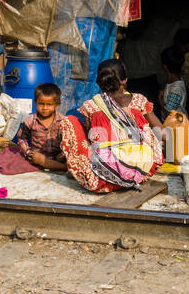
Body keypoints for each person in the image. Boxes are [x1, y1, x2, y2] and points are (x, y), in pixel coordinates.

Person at [60, 58, 164, 193]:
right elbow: (162, 133)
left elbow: (91, 140)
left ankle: (107, 177)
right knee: (145, 129)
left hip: (105, 176)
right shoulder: (139, 101)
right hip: (142, 169)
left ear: (98, 82)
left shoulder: (91, 107)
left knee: (71, 121)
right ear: (125, 80)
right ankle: (130, 175)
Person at [13, 82, 66, 171]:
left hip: (57, 157)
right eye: (41, 104)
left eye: (49, 104)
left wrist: (63, 153)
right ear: (36, 103)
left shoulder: (63, 121)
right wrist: (27, 151)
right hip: (39, 157)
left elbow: (67, 139)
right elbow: (21, 138)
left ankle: (58, 165)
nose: (45, 108)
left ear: (57, 105)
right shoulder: (30, 121)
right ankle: (63, 168)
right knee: (36, 157)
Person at [159, 47, 189, 120]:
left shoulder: (176, 89)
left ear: (165, 67)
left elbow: (168, 113)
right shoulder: (174, 82)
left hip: (178, 128)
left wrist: (160, 98)